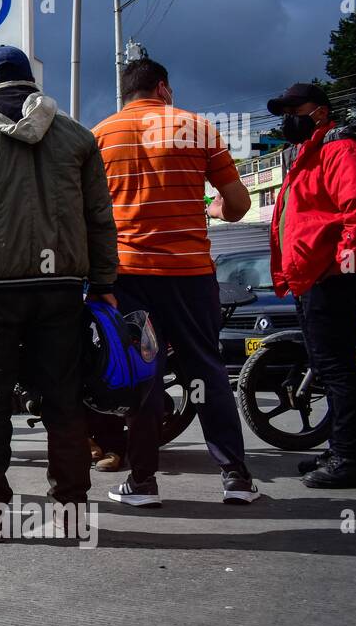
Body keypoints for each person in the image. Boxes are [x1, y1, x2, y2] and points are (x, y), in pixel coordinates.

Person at [0, 45, 117, 539]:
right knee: (64, 400)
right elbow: (99, 218)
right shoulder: (76, 136)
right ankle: (71, 511)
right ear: (30, 84)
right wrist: (105, 283)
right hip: (60, 289)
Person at [90, 58, 259, 507]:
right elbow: (239, 204)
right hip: (189, 275)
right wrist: (216, 209)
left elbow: (84, 216)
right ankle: (236, 478)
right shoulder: (198, 128)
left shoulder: (100, 136)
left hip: (127, 278)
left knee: (143, 376)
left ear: (125, 93)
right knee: (207, 368)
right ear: (163, 88)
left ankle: (143, 483)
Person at [268, 82, 356, 488]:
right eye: (283, 111)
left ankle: (351, 458)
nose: (287, 118)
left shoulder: (341, 150)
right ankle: (339, 448)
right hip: (310, 279)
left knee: (337, 368)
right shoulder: (308, 155)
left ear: (319, 111)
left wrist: (344, 266)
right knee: (327, 366)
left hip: (330, 279)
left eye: (293, 109)